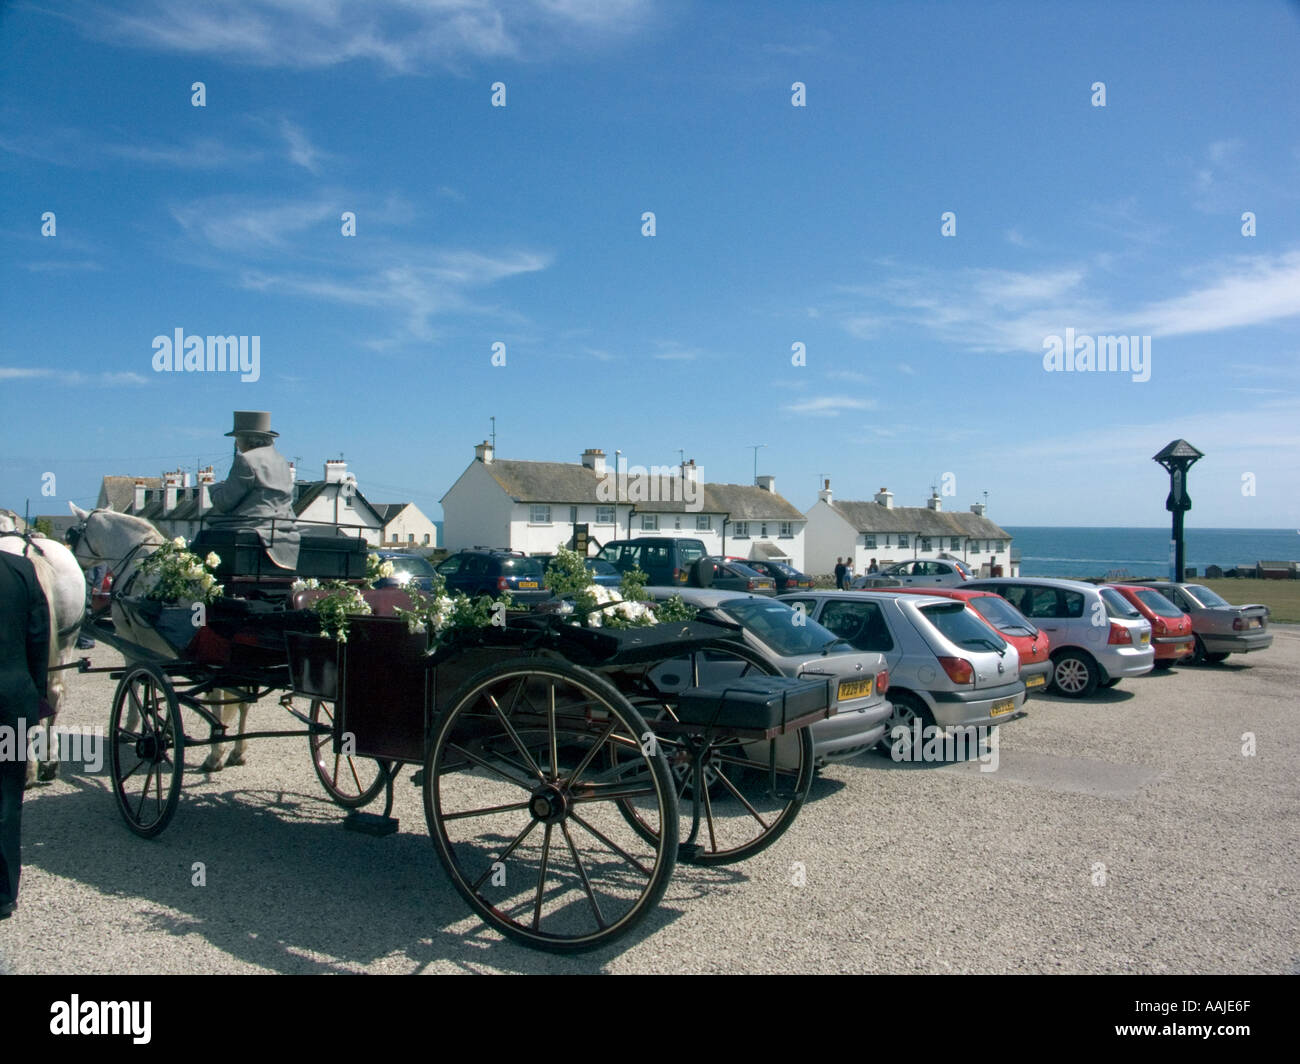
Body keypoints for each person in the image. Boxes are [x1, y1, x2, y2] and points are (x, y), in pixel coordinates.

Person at [0, 550, 50, 919]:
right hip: (13, 699)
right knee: (6, 799)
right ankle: (3, 892)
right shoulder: (21, 569)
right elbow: (39, 640)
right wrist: (38, 695)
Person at [206, 411, 300, 570]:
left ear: (245, 439)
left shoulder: (246, 460)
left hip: (254, 523)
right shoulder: (281, 460)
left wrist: (214, 488)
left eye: (237, 439)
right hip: (284, 524)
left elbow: (224, 503)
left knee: (207, 531)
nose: (236, 444)